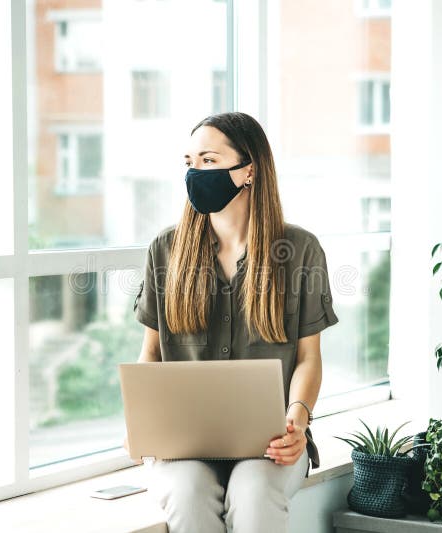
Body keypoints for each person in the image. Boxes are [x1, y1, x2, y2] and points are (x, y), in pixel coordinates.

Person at [126, 111, 339, 533]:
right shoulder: (164, 250)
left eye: (208, 161)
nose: (195, 173)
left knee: (255, 492)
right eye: (189, 162)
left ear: (248, 171)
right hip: (181, 446)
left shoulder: (300, 250)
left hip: (271, 445)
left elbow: (308, 358)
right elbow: (150, 353)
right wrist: (141, 425)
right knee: (186, 493)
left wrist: (297, 419)